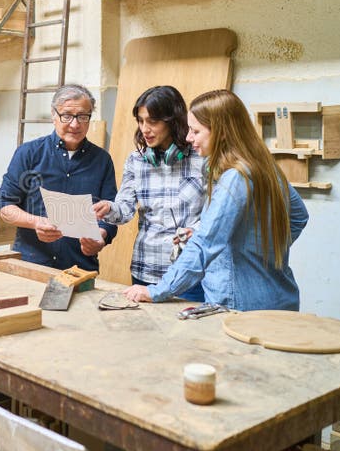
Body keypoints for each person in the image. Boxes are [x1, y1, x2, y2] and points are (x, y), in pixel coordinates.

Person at [123, 89, 309, 311]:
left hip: (239, 304)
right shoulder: (263, 165)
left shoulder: (234, 177)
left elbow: (205, 245)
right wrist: (261, 253)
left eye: (195, 131)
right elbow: (298, 216)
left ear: (221, 132)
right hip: (278, 297)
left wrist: (156, 290)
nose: (188, 137)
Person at [93, 86, 206, 301]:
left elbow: (214, 215)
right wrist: (109, 208)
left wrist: (195, 230)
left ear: (172, 121)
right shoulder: (136, 160)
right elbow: (124, 210)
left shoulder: (201, 158)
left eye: (152, 121)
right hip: (145, 270)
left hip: (188, 273)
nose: (145, 129)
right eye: (140, 121)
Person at [0, 84, 117, 271]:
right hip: (31, 265)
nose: (75, 124)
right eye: (66, 116)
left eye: (83, 117)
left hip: (80, 268)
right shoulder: (29, 153)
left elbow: (112, 212)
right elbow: (3, 206)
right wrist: (36, 222)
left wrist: (101, 236)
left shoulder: (102, 160)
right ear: (54, 115)